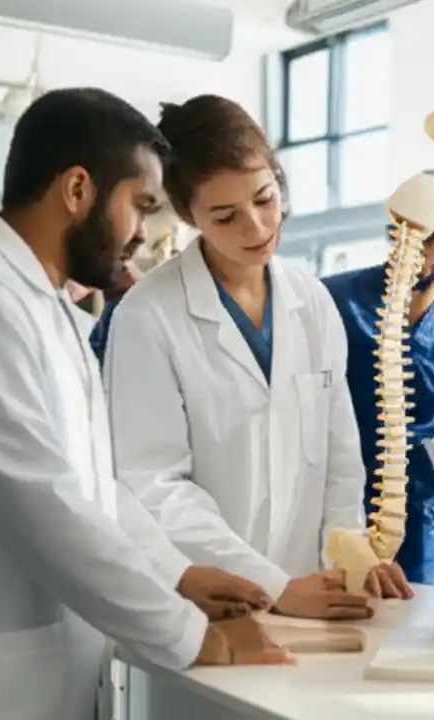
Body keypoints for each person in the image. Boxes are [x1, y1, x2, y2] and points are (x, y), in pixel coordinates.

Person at [0, 88, 290, 720]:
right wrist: (196, 637)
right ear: (78, 190)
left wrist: (177, 575)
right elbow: (46, 507)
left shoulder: (41, 304)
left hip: (27, 675)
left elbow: (90, 487)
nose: (142, 234)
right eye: (140, 206)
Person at [104, 94, 412, 623]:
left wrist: (352, 557)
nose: (256, 227)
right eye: (225, 216)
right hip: (205, 609)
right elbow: (153, 486)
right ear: (188, 214)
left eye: (265, 199)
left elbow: (340, 458)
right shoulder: (147, 315)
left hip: (314, 597)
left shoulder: (312, 301)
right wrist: (273, 585)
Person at [322, 175, 434, 584]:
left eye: (433, 237)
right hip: (337, 497)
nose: (415, 251)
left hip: (421, 508)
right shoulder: (333, 300)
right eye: (401, 234)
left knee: (412, 609)